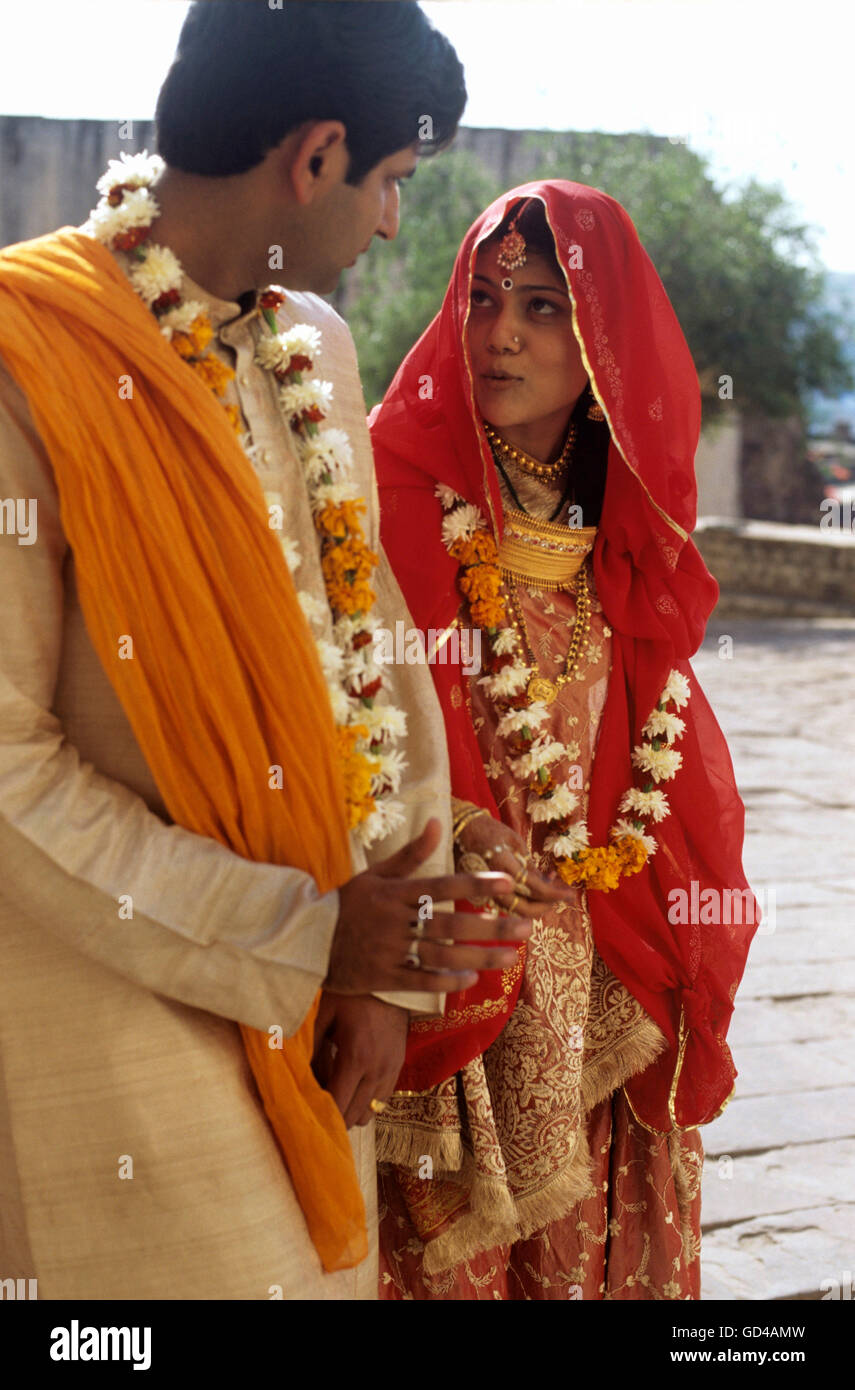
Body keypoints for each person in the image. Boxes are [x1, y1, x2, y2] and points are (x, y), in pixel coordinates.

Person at [0, 1, 554, 1301]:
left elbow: (368, 657)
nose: (389, 224)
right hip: (110, 1002)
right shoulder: (27, 358)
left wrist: (385, 971)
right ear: (315, 157)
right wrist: (305, 936)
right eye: (393, 182)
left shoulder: (313, 344)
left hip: (316, 1002)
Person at [369, 180, 759, 1299]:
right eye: (485, 297)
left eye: (543, 306)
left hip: (604, 937)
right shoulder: (391, 488)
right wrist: (453, 821)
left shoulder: (629, 515)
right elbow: (336, 710)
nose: (500, 332)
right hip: (455, 938)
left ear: (602, 339)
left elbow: (654, 723)